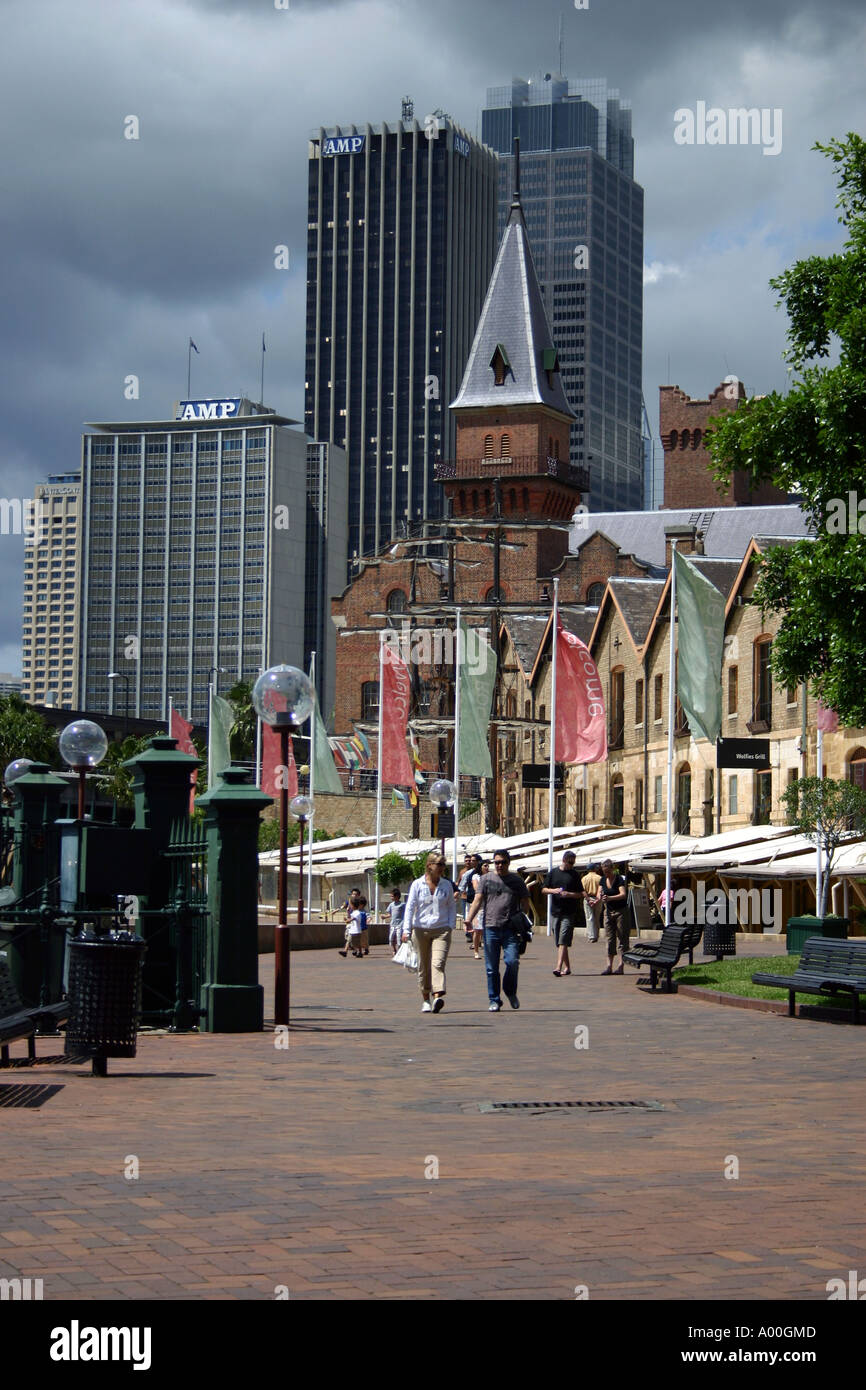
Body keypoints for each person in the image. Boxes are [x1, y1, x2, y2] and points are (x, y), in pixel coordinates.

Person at [466, 849, 531, 1011]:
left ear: (508, 863)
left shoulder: (516, 881)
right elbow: (478, 900)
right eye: (497, 862)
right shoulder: (486, 879)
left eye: (503, 862)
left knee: (512, 962)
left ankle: (510, 991)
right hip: (490, 928)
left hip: (510, 929)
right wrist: (469, 919)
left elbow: (525, 903)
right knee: (491, 968)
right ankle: (494, 1000)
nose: (500, 865)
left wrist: (522, 918)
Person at [403, 852, 456, 1013]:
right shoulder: (417, 885)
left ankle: (438, 996)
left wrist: (450, 925)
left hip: (441, 930)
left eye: (443, 864)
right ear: (429, 865)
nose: (441, 868)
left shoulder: (446, 885)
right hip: (420, 930)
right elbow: (410, 907)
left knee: (438, 963)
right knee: (423, 966)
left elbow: (451, 905)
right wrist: (406, 929)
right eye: (438, 864)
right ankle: (426, 999)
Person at [542, 849, 583, 977]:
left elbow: (581, 893)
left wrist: (569, 894)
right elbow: (543, 889)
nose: (571, 865)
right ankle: (568, 967)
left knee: (563, 939)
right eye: (570, 862)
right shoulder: (553, 873)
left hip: (569, 912)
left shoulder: (575, 875)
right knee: (559, 942)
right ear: (564, 860)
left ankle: (558, 967)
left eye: (573, 863)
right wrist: (553, 891)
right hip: (555, 911)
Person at [598, 860, 629, 975]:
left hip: (621, 911)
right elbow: (599, 893)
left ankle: (621, 966)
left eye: (607, 871)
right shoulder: (602, 880)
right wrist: (598, 898)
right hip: (608, 911)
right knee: (609, 938)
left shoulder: (619, 879)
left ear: (612, 869)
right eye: (604, 872)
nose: (606, 874)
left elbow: (623, 894)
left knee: (622, 937)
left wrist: (610, 898)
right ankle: (609, 966)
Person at [456, 853, 475, 943]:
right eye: (466, 861)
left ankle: (474, 934)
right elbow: (459, 883)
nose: (468, 862)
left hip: (474, 897)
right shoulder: (462, 872)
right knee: (466, 916)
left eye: (469, 861)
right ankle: (468, 935)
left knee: (474, 916)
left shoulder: (475, 871)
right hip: (464, 897)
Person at [581, 863, 603, 942]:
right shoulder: (600, 878)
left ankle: (591, 936)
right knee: (597, 917)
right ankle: (596, 935)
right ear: (595, 869)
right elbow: (601, 890)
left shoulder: (584, 878)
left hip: (588, 898)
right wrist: (597, 899)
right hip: (598, 898)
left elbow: (582, 891)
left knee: (589, 917)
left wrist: (588, 899)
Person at [387, 888, 406, 954]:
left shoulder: (402, 904)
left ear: (397, 896)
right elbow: (389, 914)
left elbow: (406, 913)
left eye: (392, 896)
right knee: (391, 938)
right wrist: (385, 916)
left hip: (400, 924)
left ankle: (399, 951)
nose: (391, 897)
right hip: (393, 924)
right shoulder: (391, 905)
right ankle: (394, 949)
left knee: (398, 939)